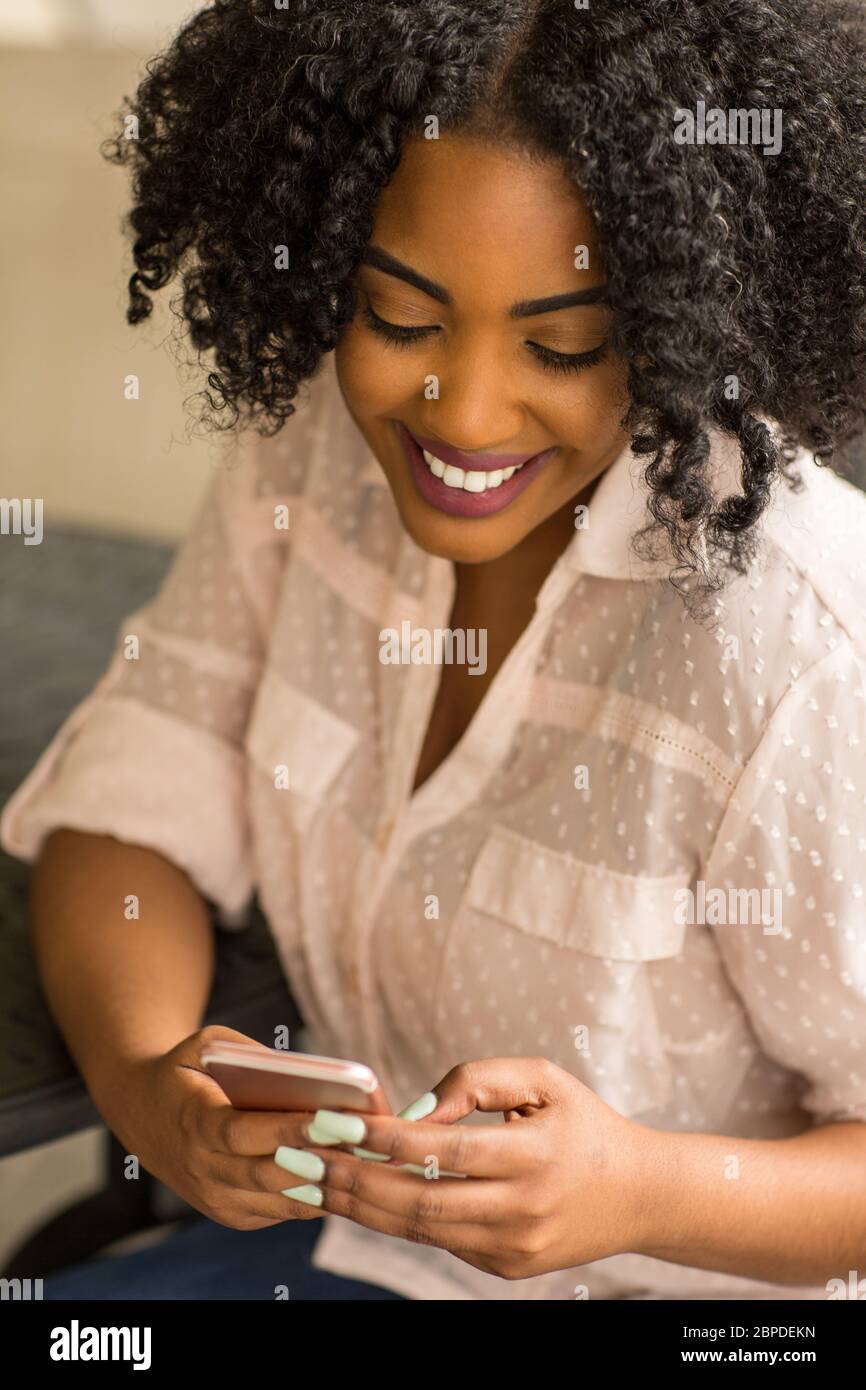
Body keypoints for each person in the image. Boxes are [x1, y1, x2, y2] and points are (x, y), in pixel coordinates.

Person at [4, 0, 866, 1301]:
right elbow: (131, 802)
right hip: (367, 1257)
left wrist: (637, 1188)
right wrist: (152, 1079)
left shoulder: (797, 645)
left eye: (561, 343)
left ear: (681, 312)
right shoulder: (313, 458)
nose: (460, 411)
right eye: (398, 319)